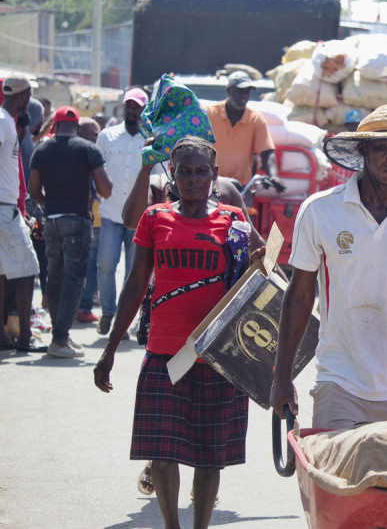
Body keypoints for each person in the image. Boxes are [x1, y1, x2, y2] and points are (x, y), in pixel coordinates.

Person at [270, 104, 387, 429]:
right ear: (363, 150)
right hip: (339, 382)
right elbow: (300, 297)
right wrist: (282, 378)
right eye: (384, 147)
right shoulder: (320, 211)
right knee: (336, 480)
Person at [94, 136, 250, 529]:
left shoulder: (233, 221)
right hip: (165, 353)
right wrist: (109, 350)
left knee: (209, 455)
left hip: (217, 356)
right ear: (173, 175)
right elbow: (134, 286)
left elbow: (258, 284)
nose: (193, 179)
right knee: (162, 453)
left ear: (214, 175)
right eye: (185, 171)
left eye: (201, 171)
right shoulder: (155, 218)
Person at [29, 106, 112, 358]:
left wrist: (49, 205)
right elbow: (106, 190)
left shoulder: (42, 148)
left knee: (54, 276)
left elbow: (34, 191)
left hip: (51, 220)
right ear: (76, 127)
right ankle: (60, 339)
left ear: (54, 126)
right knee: (74, 278)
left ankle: (60, 335)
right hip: (77, 220)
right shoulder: (88, 148)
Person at [95, 87, 148, 335]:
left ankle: (124, 321)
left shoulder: (151, 141)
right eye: (129, 105)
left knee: (132, 272)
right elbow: (96, 170)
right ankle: (107, 311)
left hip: (138, 219)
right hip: (111, 213)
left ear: (144, 110)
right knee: (105, 264)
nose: (132, 110)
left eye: (137, 106)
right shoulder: (107, 136)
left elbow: (157, 179)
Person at [0, 75, 42, 353]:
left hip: (8, 207)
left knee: (4, 275)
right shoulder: (3, 120)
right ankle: (25, 338)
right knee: (28, 270)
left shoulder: (8, 121)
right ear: (24, 96)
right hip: (3, 209)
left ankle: (4, 336)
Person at [205, 71, 276, 187]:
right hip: (210, 184)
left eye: (247, 91)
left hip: (241, 187)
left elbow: (266, 152)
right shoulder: (210, 114)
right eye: (240, 90)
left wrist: (274, 176)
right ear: (229, 90)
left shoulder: (256, 119)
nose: (244, 94)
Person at [76, 117, 103, 323]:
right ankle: (84, 307)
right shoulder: (91, 155)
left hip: (90, 217)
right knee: (91, 265)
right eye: (94, 133)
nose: (97, 137)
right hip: (93, 218)